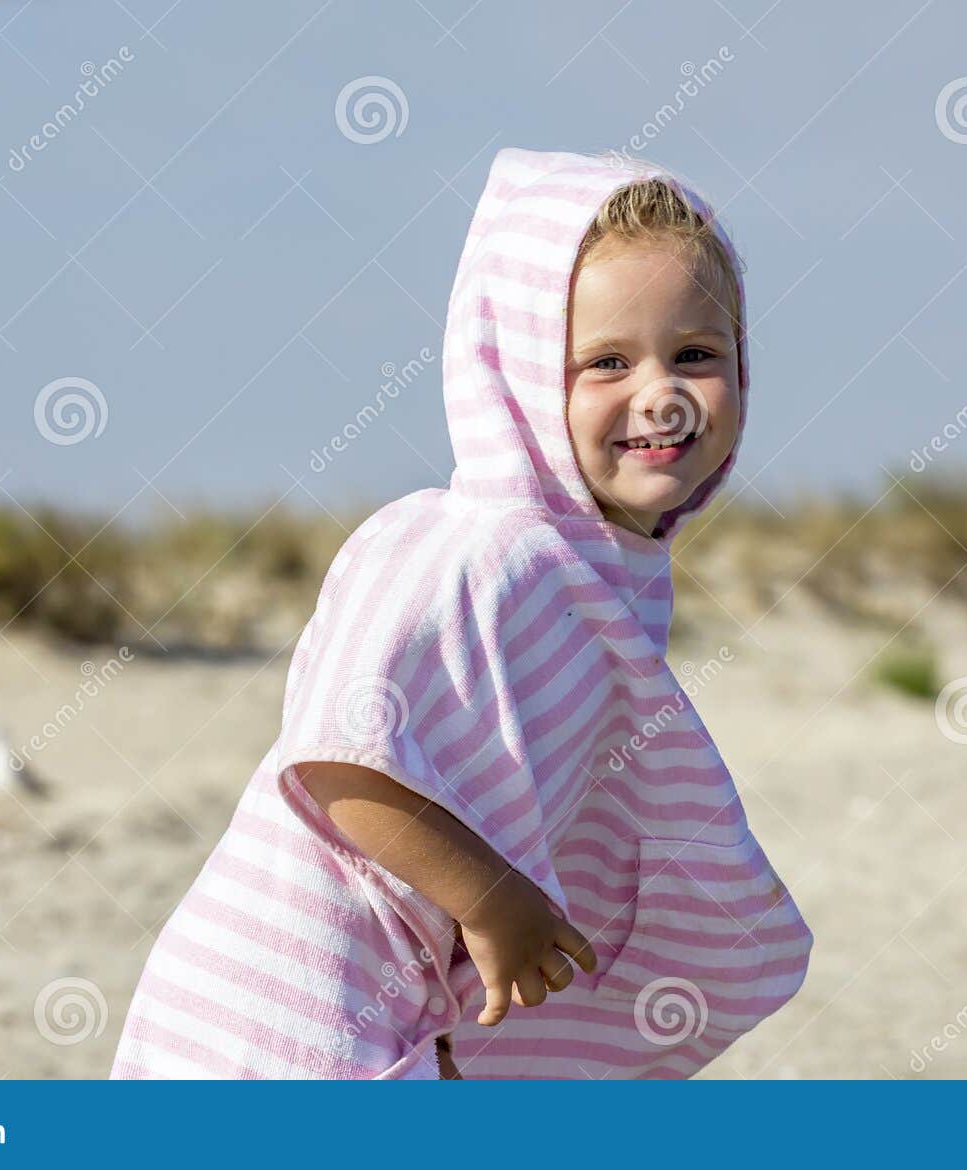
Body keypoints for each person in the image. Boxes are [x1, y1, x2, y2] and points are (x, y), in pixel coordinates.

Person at [110, 146, 812, 1080]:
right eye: (606, 362)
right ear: (520, 373)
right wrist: (490, 901)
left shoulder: (593, 568)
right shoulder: (482, 553)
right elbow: (340, 757)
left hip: (388, 1008)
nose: (663, 394)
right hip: (286, 1016)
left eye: (696, 355)